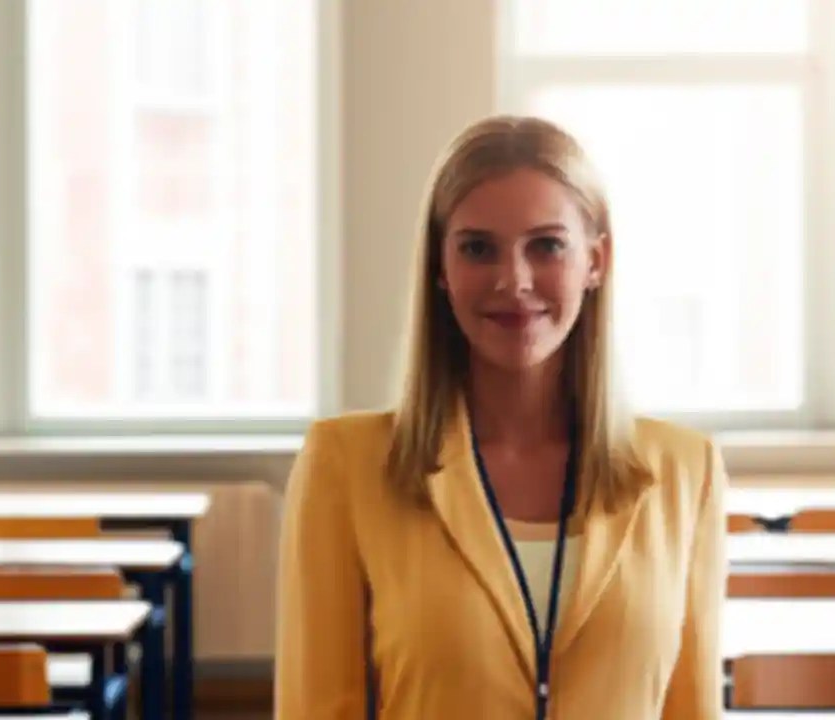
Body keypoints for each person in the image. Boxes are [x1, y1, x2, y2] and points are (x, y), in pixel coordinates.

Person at [276, 115, 727, 719]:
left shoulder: (685, 471)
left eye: (546, 245)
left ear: (597, 261)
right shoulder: (347, 465)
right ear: (439, 265)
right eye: (477, 248)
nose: (514, 281)